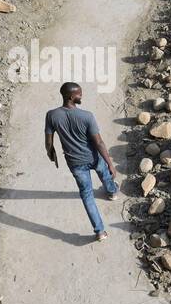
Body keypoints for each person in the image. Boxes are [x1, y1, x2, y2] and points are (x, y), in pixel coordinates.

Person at [45, 82, 119, 242]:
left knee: (87, 196)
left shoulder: (52, 115)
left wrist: (51, 154)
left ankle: (100, 232)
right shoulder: (87, 116)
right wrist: (110, 164)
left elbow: (49, 141)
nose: (81, 96)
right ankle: (112, 192)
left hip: (75, 163)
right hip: (93, 157)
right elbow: (99, 143)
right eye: (79, 94)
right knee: (105, 173)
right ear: (71, 97)